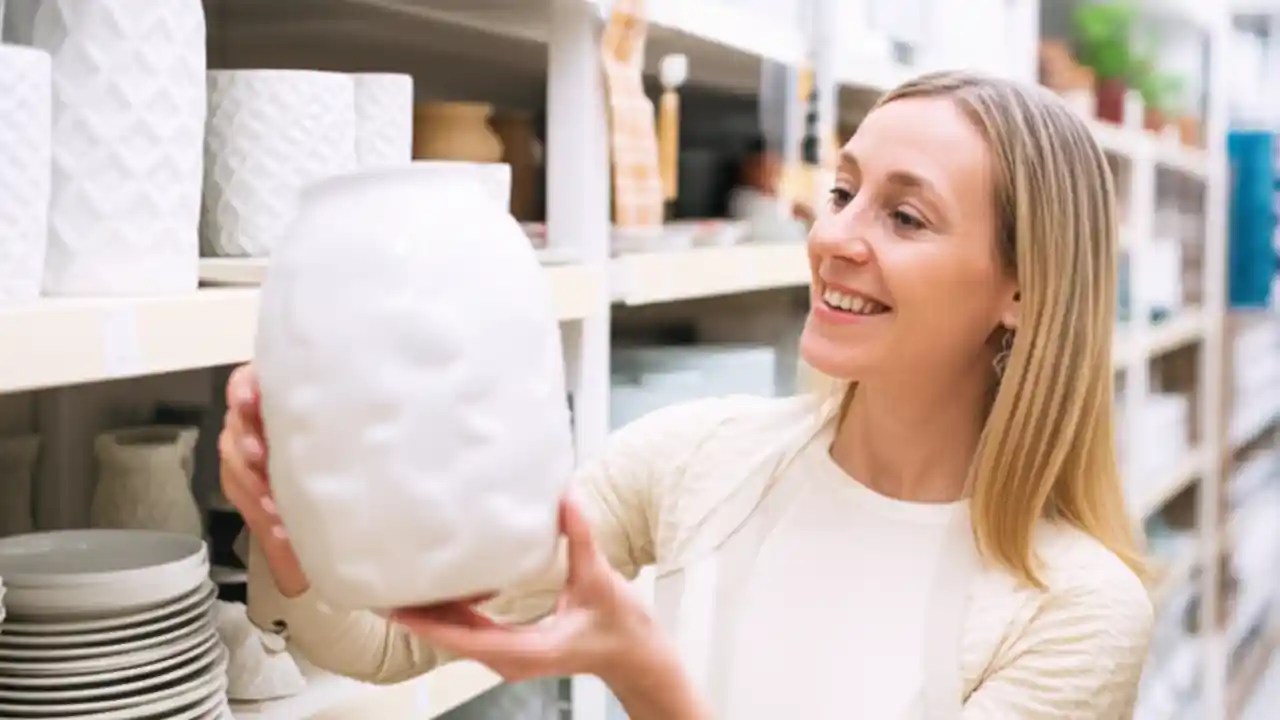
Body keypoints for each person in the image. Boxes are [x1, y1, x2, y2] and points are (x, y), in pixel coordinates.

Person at [220, 71, 1154, 719]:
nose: (836, 238)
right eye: (840, 192)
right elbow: (392, 646)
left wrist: (642, 678)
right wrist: (289, 524)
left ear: (1022, 291)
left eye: (904, 216)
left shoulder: (1075, 609)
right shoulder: (697, 461)